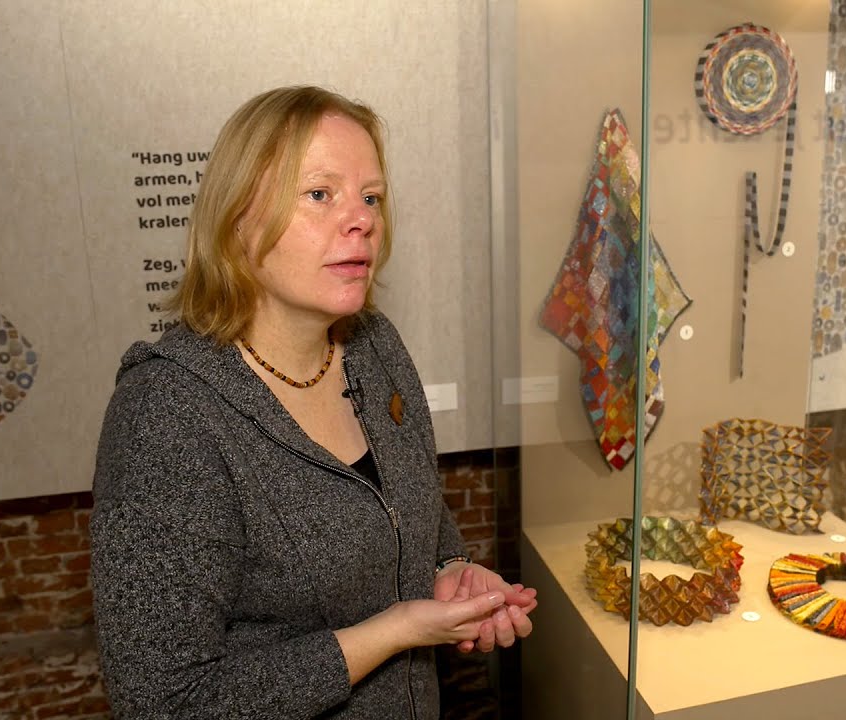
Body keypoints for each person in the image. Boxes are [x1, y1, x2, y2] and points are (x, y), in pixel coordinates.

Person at [90, 85, 536, 719]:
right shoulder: (166, 416)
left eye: (371, 197)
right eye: (320, 194)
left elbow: (414, 510)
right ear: (237, 218)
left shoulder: (376, 348)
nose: (361, 219)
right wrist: (395, 631)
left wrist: (453, 569)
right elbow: (165, 703)